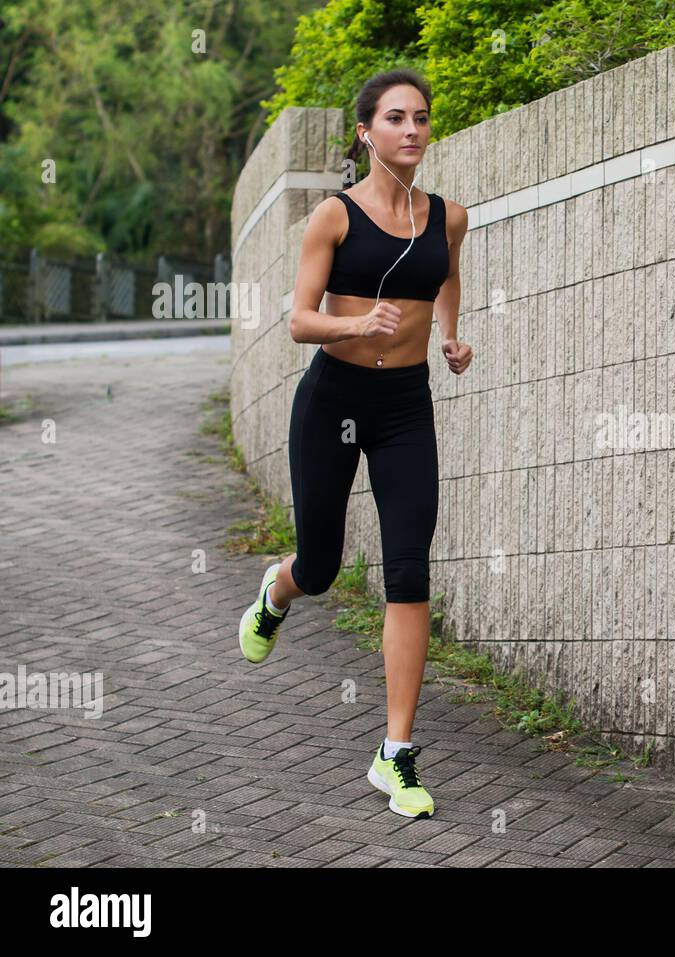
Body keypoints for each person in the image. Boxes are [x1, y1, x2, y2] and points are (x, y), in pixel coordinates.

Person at [237, 68, 472, 820]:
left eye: (422, 118)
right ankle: (279, 590)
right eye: (396, 117)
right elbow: (301, 320)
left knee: (409, 568)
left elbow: (446, 280)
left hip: (406, 407)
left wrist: (450, 336)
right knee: (324, 563)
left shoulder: (450, 216)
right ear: (366, 133)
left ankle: (395, 751)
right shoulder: (332, 218)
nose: (412, 129)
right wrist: (354, 326)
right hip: (333, 398)